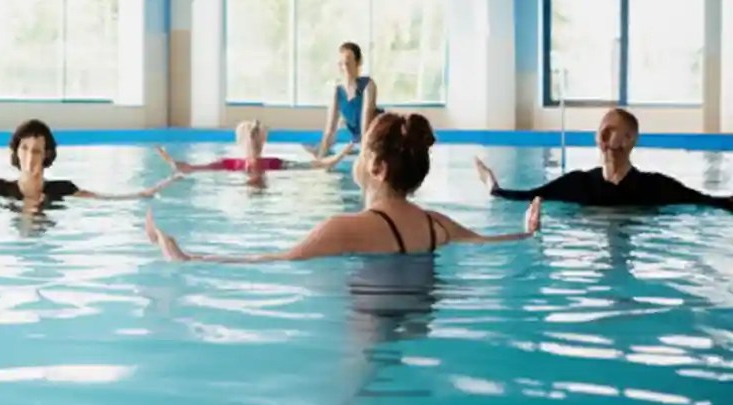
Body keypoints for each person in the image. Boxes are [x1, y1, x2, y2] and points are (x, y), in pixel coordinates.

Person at [145, 112, 541, 263]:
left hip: (371, 329)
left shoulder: (344, 228)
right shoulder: (437, 224)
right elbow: (492, 242)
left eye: (362, 150)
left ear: (377, 168)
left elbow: (277, 259)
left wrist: (188, 258)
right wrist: (527, 231)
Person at [476, 108, 732, 210]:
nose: (602, 134)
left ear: (629, 139)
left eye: (610, 129)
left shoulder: (654, 186)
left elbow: (709, 202)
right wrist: (493, 187)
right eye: (601, 129)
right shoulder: (578, 184)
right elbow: (526, 196)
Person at [0, 119, 183, 204]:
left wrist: (158, 186)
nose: (30, 156)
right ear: (16, 152)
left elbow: (111, 199)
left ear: (47, 155)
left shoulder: (63, 189)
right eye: (25, 149)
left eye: (37, 150)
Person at [155, 119, 353, 175]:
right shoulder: (233, 164)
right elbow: (193, 168)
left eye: (256, 141)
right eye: (252, 141)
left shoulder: (271, 164)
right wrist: (176, 164)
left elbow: (315, 165)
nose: (254, 146)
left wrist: (341, 154)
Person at [316, 42, 380, 159]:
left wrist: (364, 157)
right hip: (357, 141)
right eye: (341, 64)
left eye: (348, 63)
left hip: (376, 137)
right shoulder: (337, 91)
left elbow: (365, 125)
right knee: (321, 153)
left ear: (358, 62)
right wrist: (321, 157)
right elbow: (330, 130)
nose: (345, 67)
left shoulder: (368, 85)